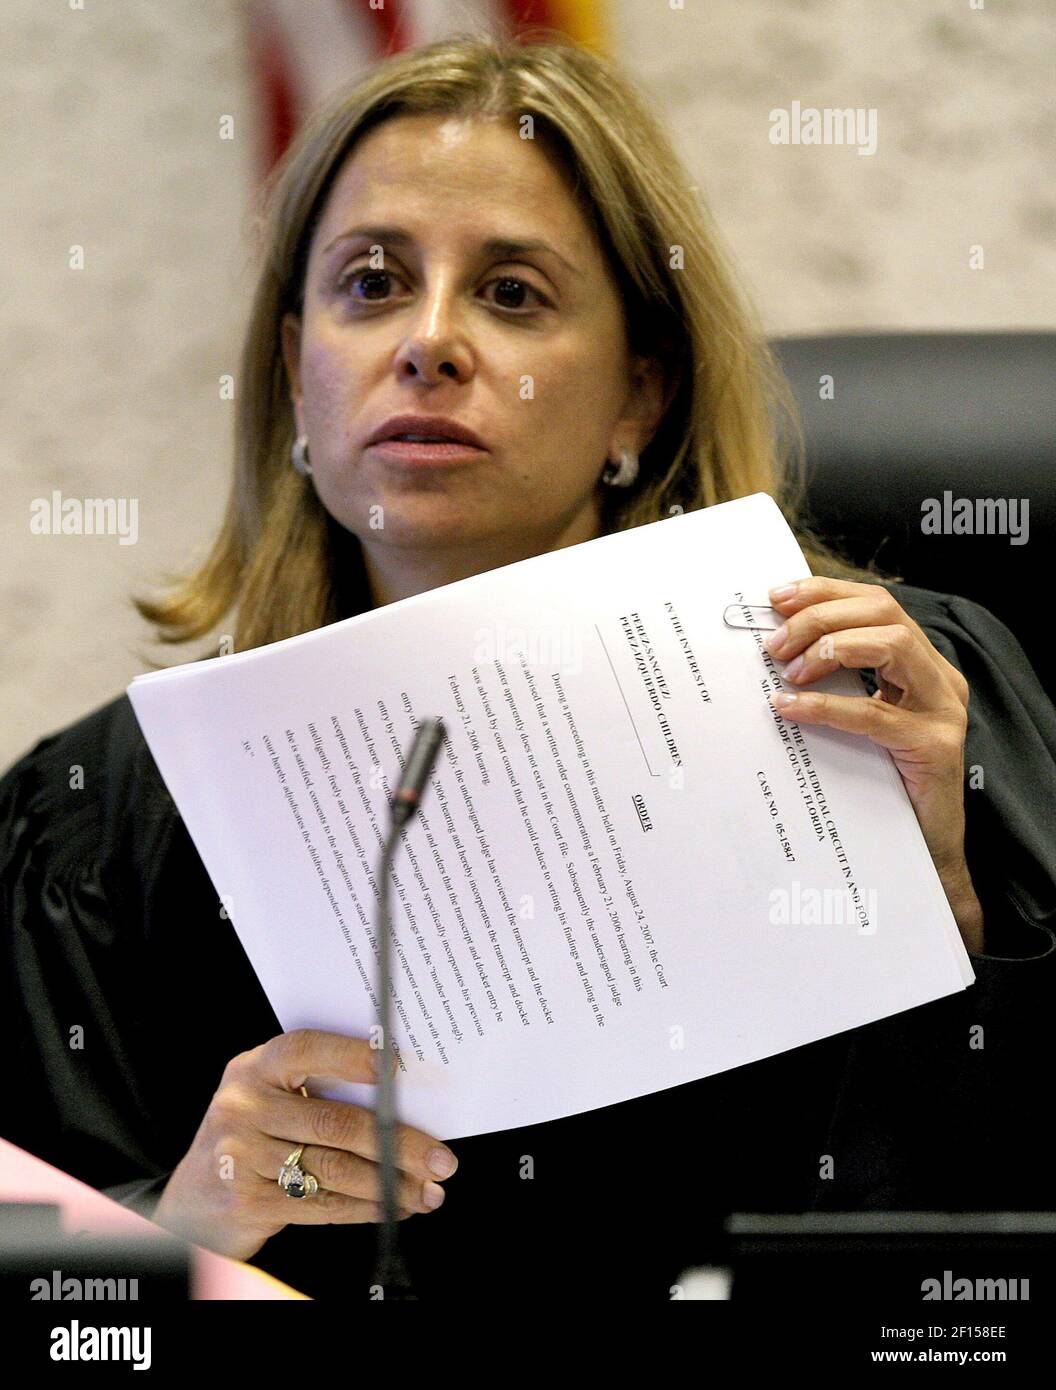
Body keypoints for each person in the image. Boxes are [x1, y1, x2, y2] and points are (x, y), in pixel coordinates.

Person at [2, 33, 1054, 1303]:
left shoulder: (893, 697)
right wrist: (188, 1222)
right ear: (295, 374)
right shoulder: (102, 816)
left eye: (512, 294)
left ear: (640, 398)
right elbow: (53, 1312)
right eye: (372, 282)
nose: (430, 342)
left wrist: (958, 904)